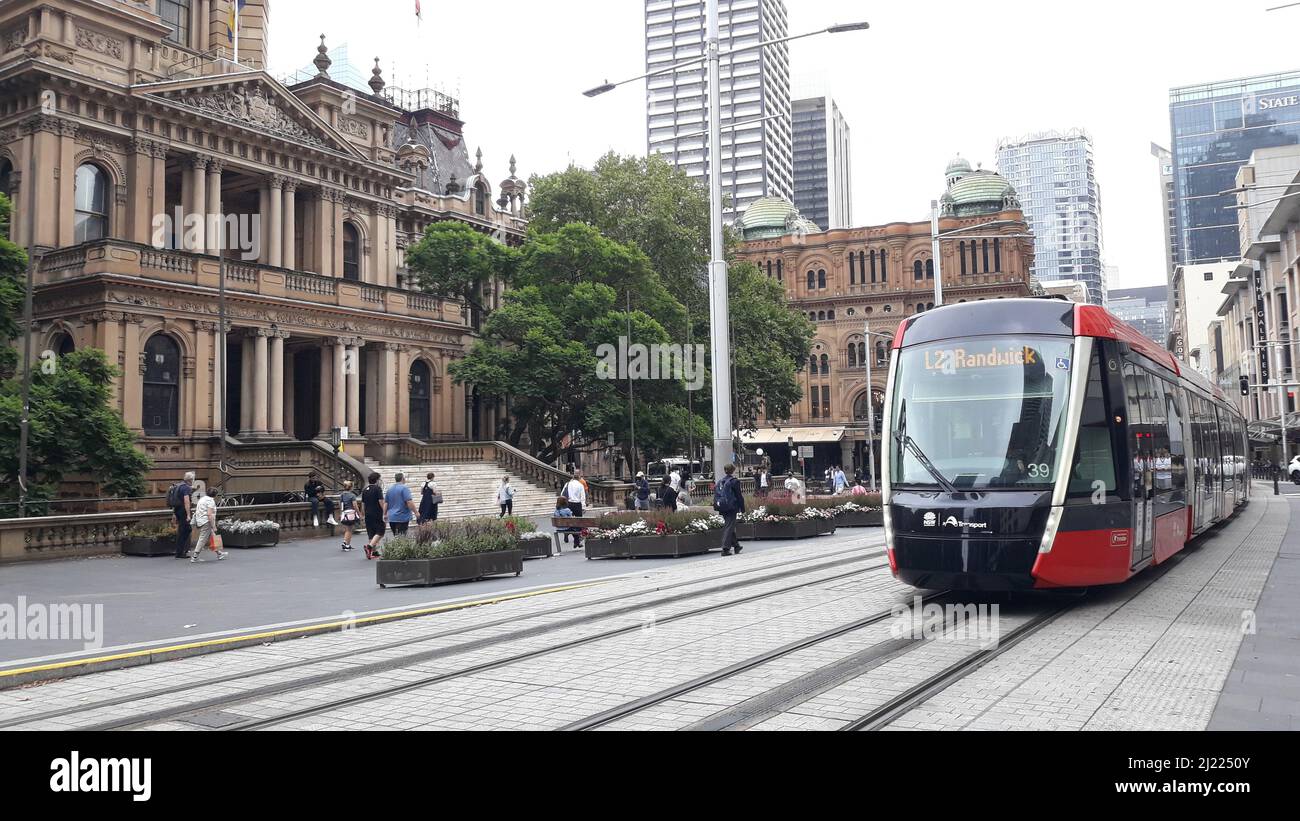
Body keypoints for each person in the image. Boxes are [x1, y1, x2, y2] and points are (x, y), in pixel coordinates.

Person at [713, 464, 746, 557]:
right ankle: (725, 548)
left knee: (729, 525)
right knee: (729, 526)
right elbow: (739, 496)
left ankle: (736, 546)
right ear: (733, 471)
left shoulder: (720, 482)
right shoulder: (734, 481)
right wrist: (742, 508)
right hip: (731, 507)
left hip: (722, 506)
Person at [189, 487, 227, 563]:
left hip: (201, 520)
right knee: (202, 539)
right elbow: (210, 514)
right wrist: (213, 526)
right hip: (207, 522)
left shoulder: (202, 499)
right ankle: (195, 556)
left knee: (213, 537)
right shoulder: (210, 501)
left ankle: (219, 554)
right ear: (215, 495)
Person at [361, 472, 386, 560]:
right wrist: (385, 512)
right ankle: (370, 546)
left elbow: (363, 504)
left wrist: (363, 515)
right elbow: (381, 501)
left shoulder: (365, 490)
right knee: (380, 531)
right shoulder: (377, 489)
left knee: (371, 533)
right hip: (376, 513)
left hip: (368, 514)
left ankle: (373, 552)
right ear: (377, 480)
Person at [171, 471, 194, 559]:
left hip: (177, 510)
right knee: (185, 530)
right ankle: (180, 552)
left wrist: (174, 513)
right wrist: (188, 514)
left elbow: (175, 500)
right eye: (192, 479)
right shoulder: (186, 488)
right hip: (183, 511)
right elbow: (186, 501)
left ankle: (180, 551)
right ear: (190, 480)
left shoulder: (178, 486)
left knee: (183, 530)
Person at [385, 472, 416, 537]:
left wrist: (384, 514)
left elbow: (386, 503)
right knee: (402, 537)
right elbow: (409, 502)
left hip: (392, 517)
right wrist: (416, 512)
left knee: (396, 536)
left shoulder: (390, 489)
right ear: (403, 479)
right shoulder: (404, 488)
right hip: (402, 516)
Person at [338, 480, 360, 552]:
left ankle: (347, 543)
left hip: (345, 513)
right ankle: (346, 544)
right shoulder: (352, 495)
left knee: (347, 529)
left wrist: (341, 513)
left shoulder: (342, 495)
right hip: (351, 513)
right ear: (351, 487)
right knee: (349, 530)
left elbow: (341, 505)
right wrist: (359, 513)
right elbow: (355, 505)